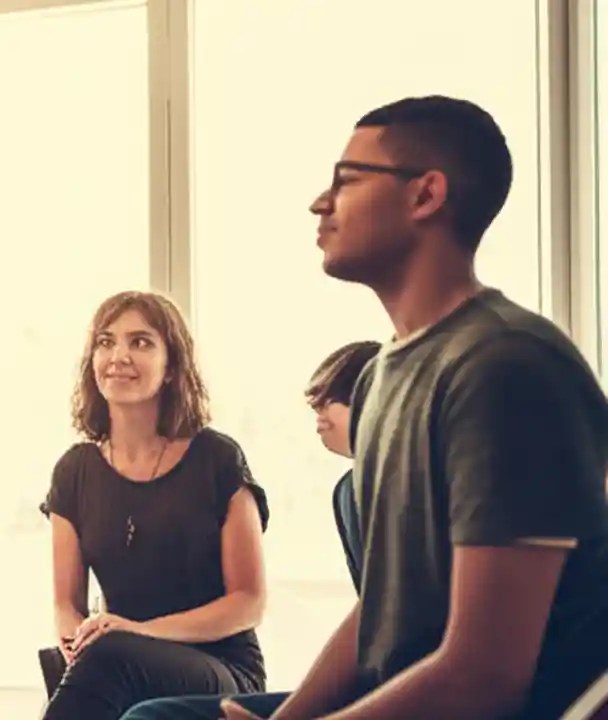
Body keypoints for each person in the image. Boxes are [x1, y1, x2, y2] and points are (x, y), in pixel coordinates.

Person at [124, 95, 608, 720]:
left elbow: (485, 677)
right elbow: (381, 606)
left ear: (425, 195)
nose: (320, 203)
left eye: (347, 181)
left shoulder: (505, 368)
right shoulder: (382, 376)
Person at [39, 290, 270, 720]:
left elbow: (248, 601)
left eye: (140, 342)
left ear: (170, 368)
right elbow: (65, 605)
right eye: (105, 342)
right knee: (102, 660)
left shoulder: (217, 459)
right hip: (115, 659)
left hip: (221, 667)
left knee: (111, 656)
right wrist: (79, 641)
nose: (118, 355)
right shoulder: (73, 470)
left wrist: (139, 633)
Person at [304, 340, 381, 590]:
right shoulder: (346, 492)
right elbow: (372, 602)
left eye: (329, 400)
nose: (317, 411)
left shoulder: (425, 483)